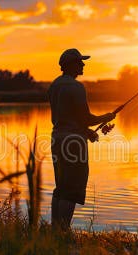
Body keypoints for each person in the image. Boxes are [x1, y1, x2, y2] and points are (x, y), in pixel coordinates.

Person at [48, 48, 115, 231]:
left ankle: (55, 230)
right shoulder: (76, 87)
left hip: (57, 139)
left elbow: (69, 117)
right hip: (73, 143)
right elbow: (86, 118)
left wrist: (86, 132)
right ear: (70, 65)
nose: (83, 64)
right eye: (79, 62)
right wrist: (106, 117)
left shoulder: (54, 85)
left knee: (61, 186)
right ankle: (62, 231)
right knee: (72, 188)